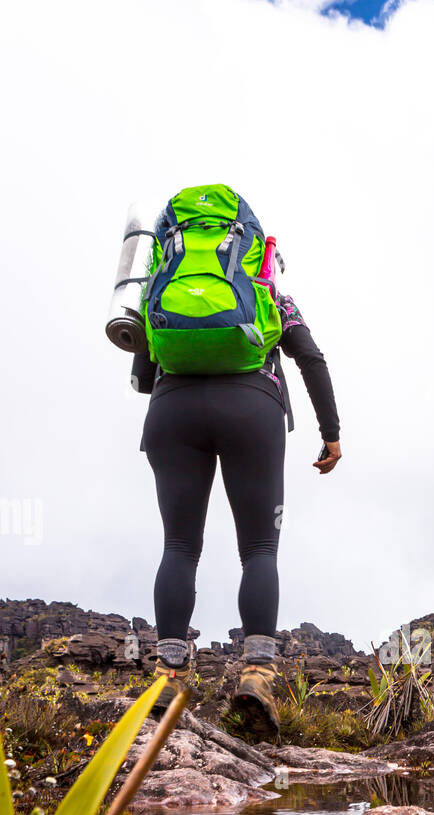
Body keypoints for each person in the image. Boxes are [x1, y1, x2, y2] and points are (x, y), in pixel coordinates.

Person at [132, 209, 341, 740]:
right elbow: (311, 359)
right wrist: (331, 433)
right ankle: (256, 672)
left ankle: (170, 674)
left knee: (179, 544)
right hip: (253, 407)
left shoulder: (164, 288)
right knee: (259, 549)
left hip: (173, 408)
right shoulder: (271, 296)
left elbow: (141, 372)